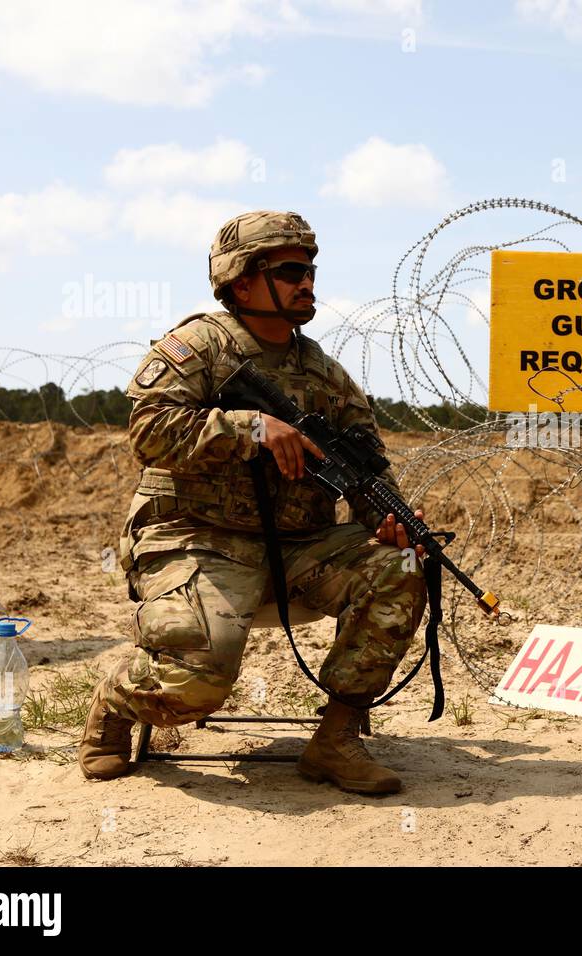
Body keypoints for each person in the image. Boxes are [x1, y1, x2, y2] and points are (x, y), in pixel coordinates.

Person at [78, 210, 428, 795]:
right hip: (195, 536)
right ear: (242, 281)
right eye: (291, 270)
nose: (308, 282)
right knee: (195, 688)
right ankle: (118, 698)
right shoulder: (198, 347)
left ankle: (335, 741)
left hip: (299, 546)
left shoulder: (325, 373)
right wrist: (251, 429)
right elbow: (147, 432)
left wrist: (388, 520)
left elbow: (367, 468)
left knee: (401, 567)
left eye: (311, 269)